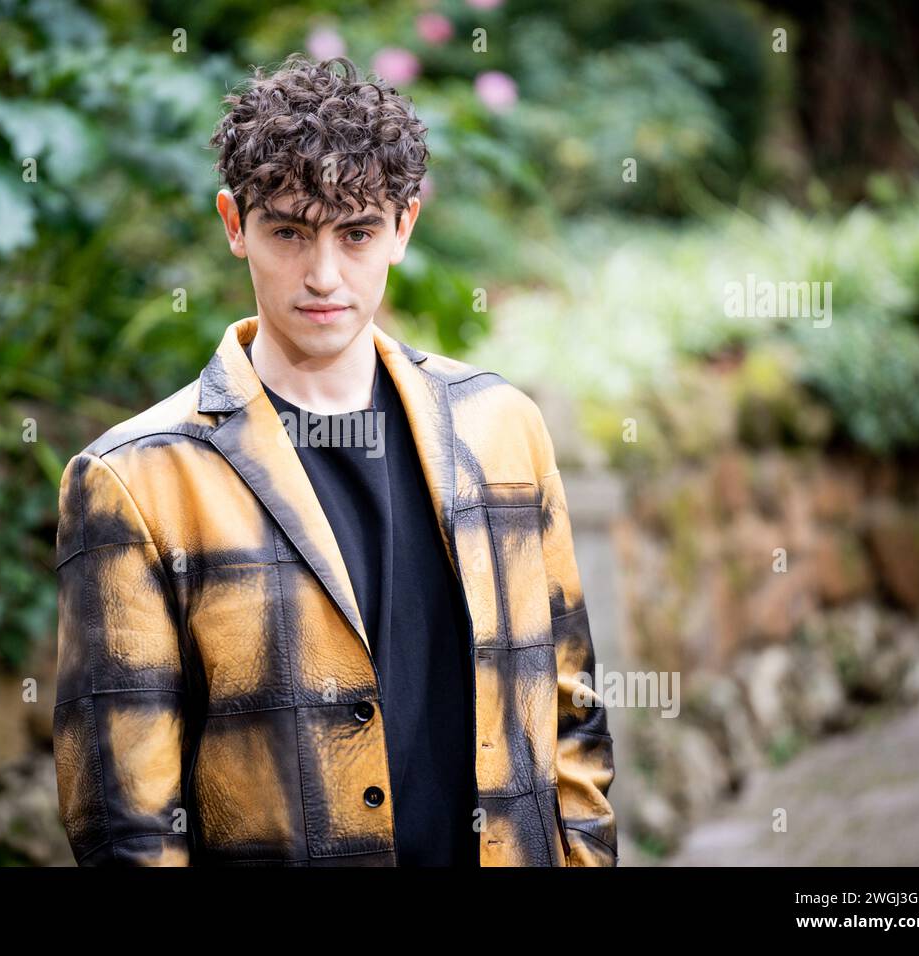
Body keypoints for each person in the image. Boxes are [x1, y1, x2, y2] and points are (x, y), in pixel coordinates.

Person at [52, 53, 617, 867]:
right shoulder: (135, 481)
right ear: (234, 225)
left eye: (357, 233)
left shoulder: (503, 429)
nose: (323, 276)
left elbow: (572, 717)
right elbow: (125, 824)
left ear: (404, 227)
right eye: (289, 230)